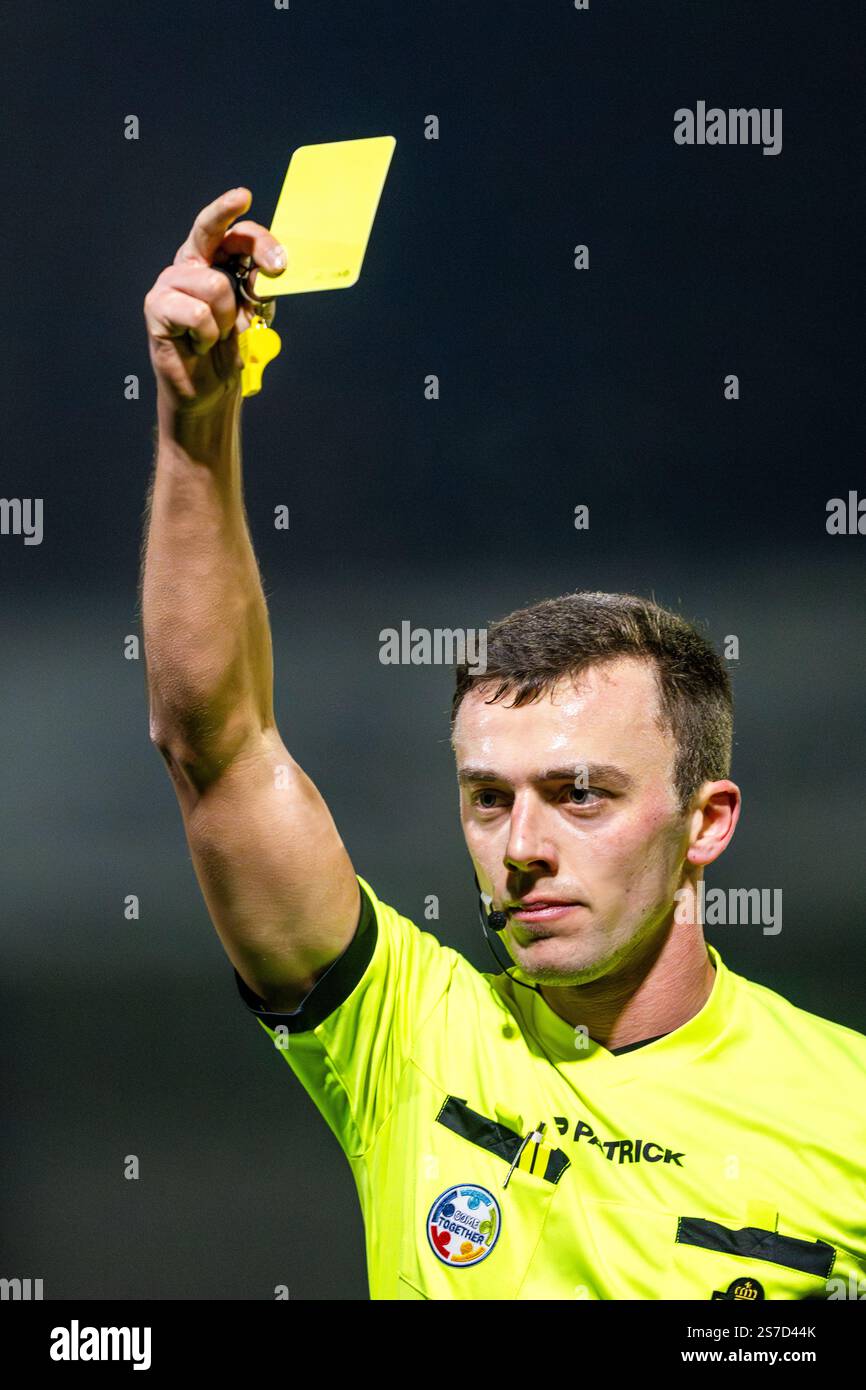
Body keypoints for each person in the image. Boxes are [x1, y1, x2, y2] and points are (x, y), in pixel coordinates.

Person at [141, 188, 866, 1302]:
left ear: (704, 821)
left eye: (579, 794)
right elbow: (216, 746)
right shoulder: (407, 1034)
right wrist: (196, 418)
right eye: (487, 797)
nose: (519, 844)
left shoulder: (846, 1112)